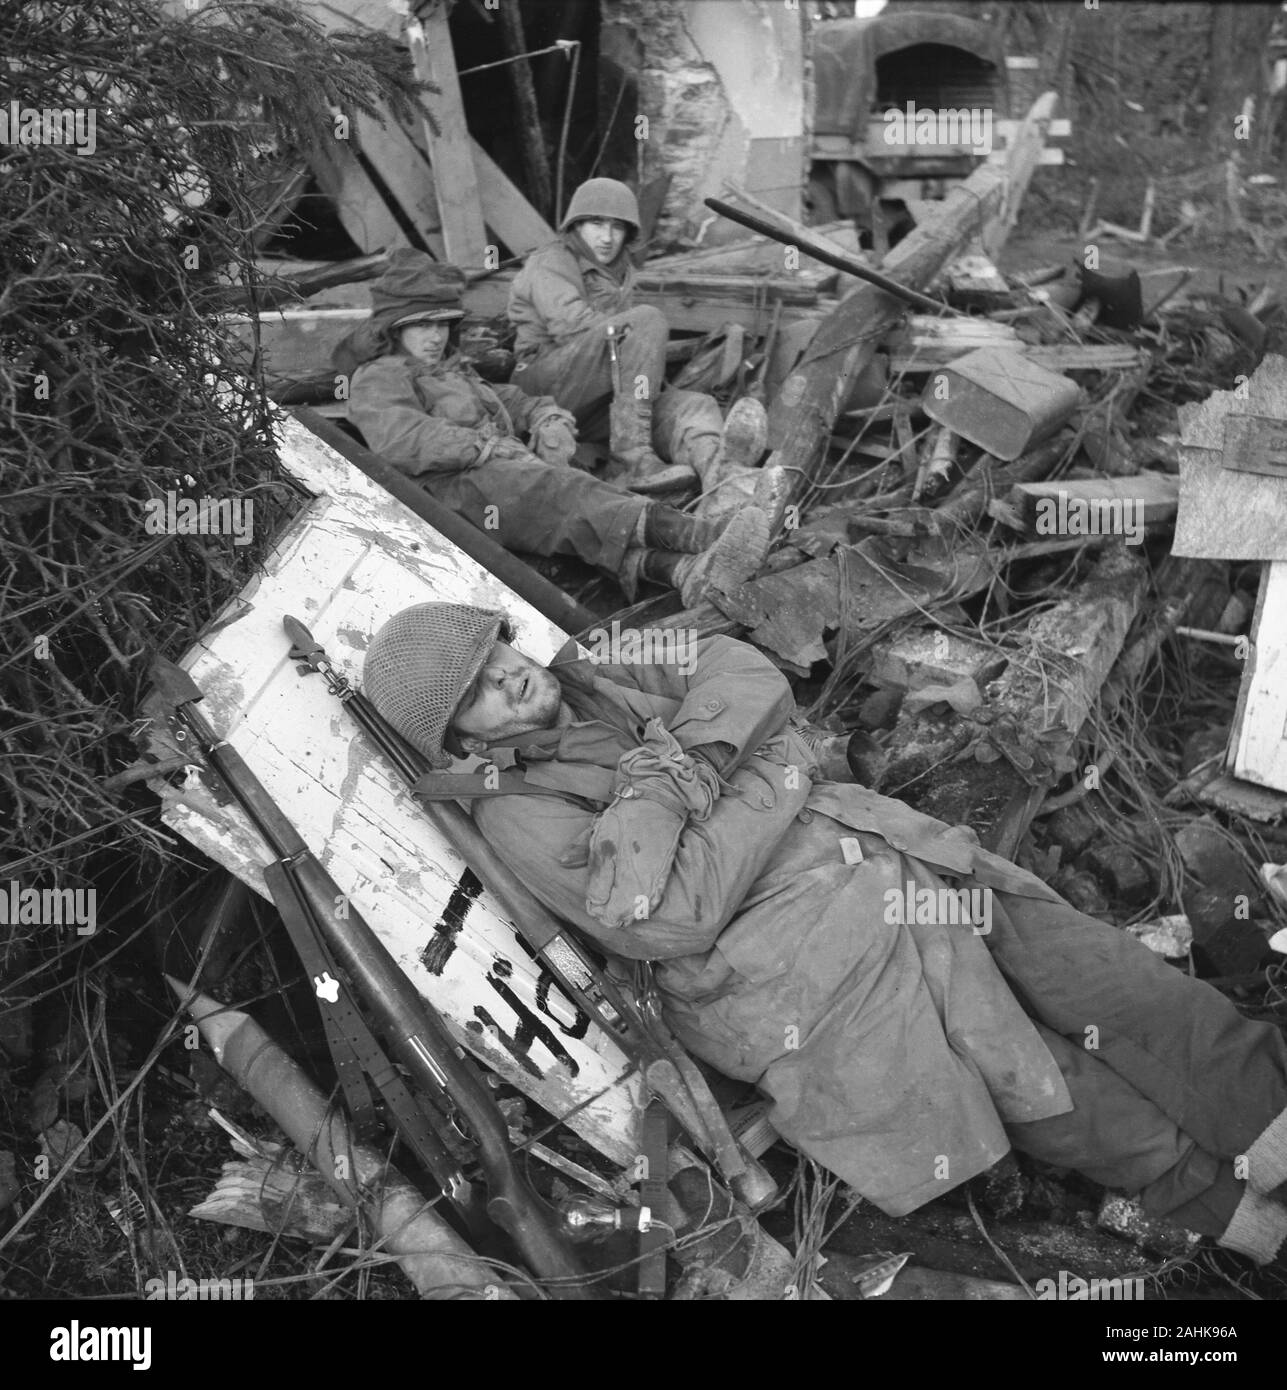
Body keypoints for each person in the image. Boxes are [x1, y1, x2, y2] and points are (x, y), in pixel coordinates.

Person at [362, 601, 1287, 1266]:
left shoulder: (607, 655)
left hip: (895, 856)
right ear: (462, 742)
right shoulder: (517, 815)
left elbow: (745, 671)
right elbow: (669, 915)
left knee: (1114, 980)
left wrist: (684, 779)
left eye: (495, 651)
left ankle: (1272, 1130)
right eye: (478, 693)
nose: (506, 676)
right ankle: (1247, 1223)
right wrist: (758, 772)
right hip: (799, 959)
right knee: (1046, 1081)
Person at [336, 250, 773, 606]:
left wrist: (548, 418)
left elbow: (518, 401)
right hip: (449, 493)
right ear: (394, 330)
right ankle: (701, 535)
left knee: (573, 514)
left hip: (494, 480)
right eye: (421, 325)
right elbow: (400, 438)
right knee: (569, 493)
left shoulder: (454, 372)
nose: (434, 335)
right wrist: (486, 447)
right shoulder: (380, 375)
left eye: (441, 323)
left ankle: (685, 572)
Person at [507, 177, 768, 506]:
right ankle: (631, 460)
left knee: (695, 406)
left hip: (599, 403)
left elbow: (622, 351)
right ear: (575, 225)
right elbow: (570, 326)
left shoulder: (619, 271)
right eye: (596, 223)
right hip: (544, 388)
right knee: (648, 319)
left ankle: (722, 479)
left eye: (617, 227)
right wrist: (641, 337)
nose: (607, 237)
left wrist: (646, 365)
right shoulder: (551, 261)